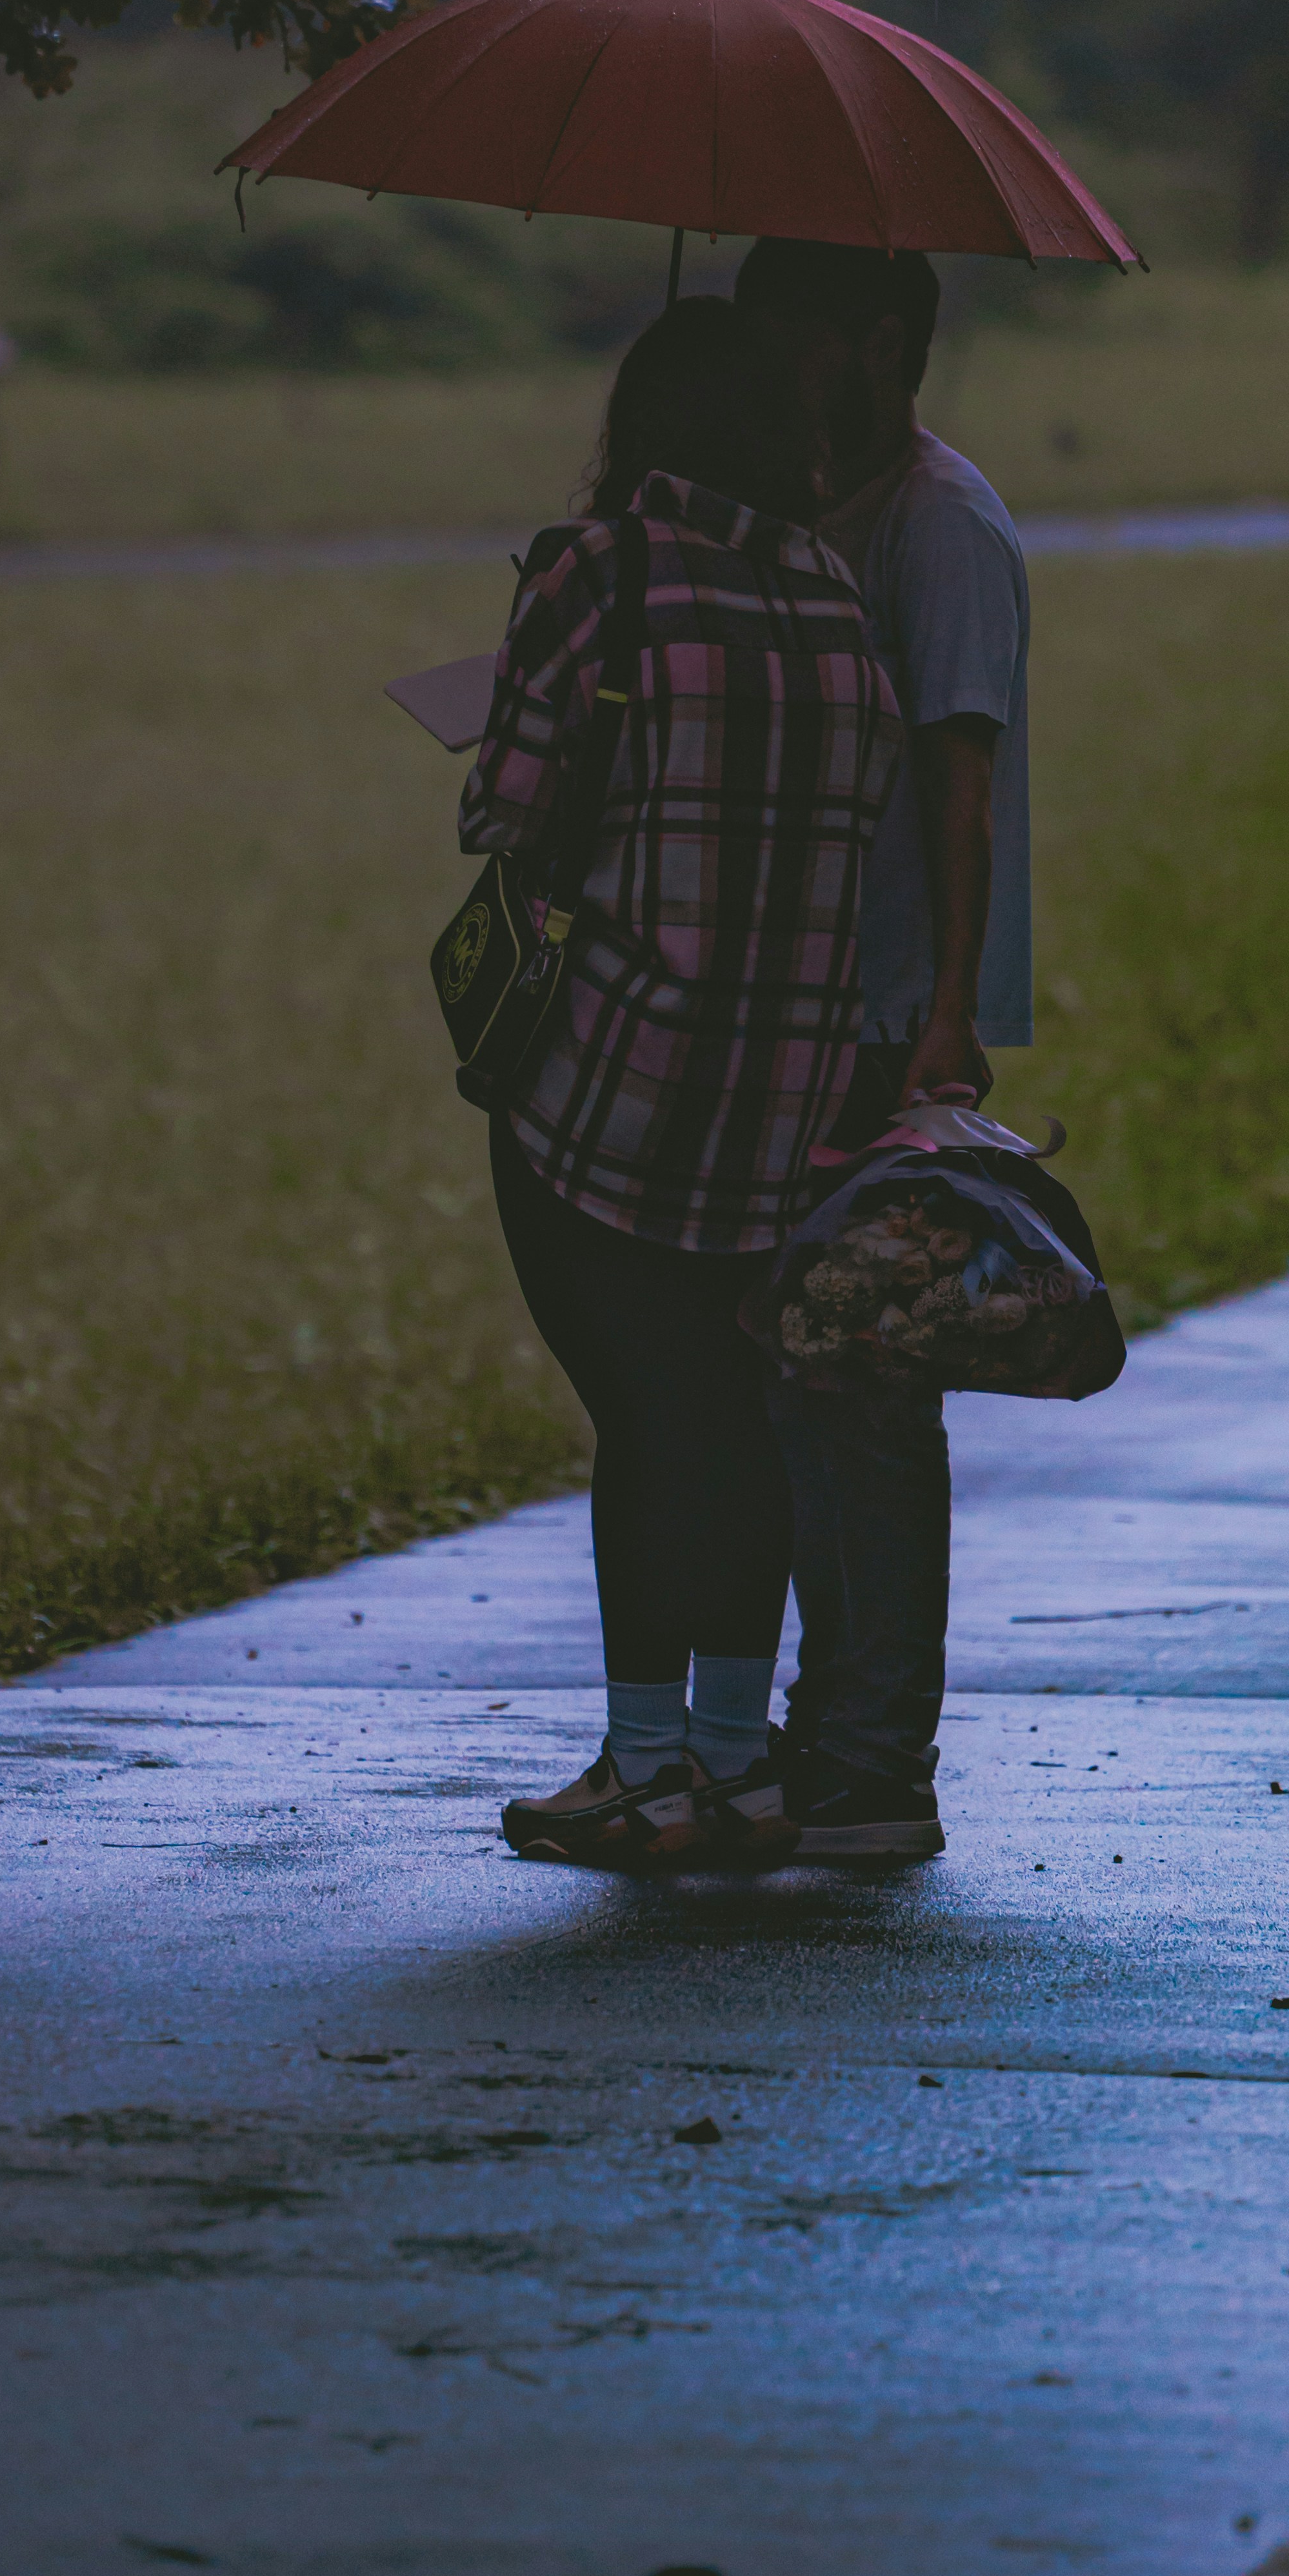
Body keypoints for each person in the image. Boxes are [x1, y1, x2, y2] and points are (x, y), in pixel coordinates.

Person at [463, 293, 901, 1875]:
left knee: (645, 1420)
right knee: (729, 1412)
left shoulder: (598, 571)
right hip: (782, 1102)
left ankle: (641, 1775)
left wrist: (545, 657)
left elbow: (507, 816)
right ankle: (737, 1764)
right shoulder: (840, 603)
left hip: (616, 1083)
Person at [725, 238, 1035, 1868]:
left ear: (886, 338)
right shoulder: (822, 503)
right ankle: (833, 1734)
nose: (773, 359)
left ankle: (868, 1757)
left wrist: (941, 1018)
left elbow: (959, 779)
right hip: (810, 1000)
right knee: (809, 1376)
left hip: (881, 1012)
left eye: (799, 330)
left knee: (861, 1384)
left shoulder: (939, 525)